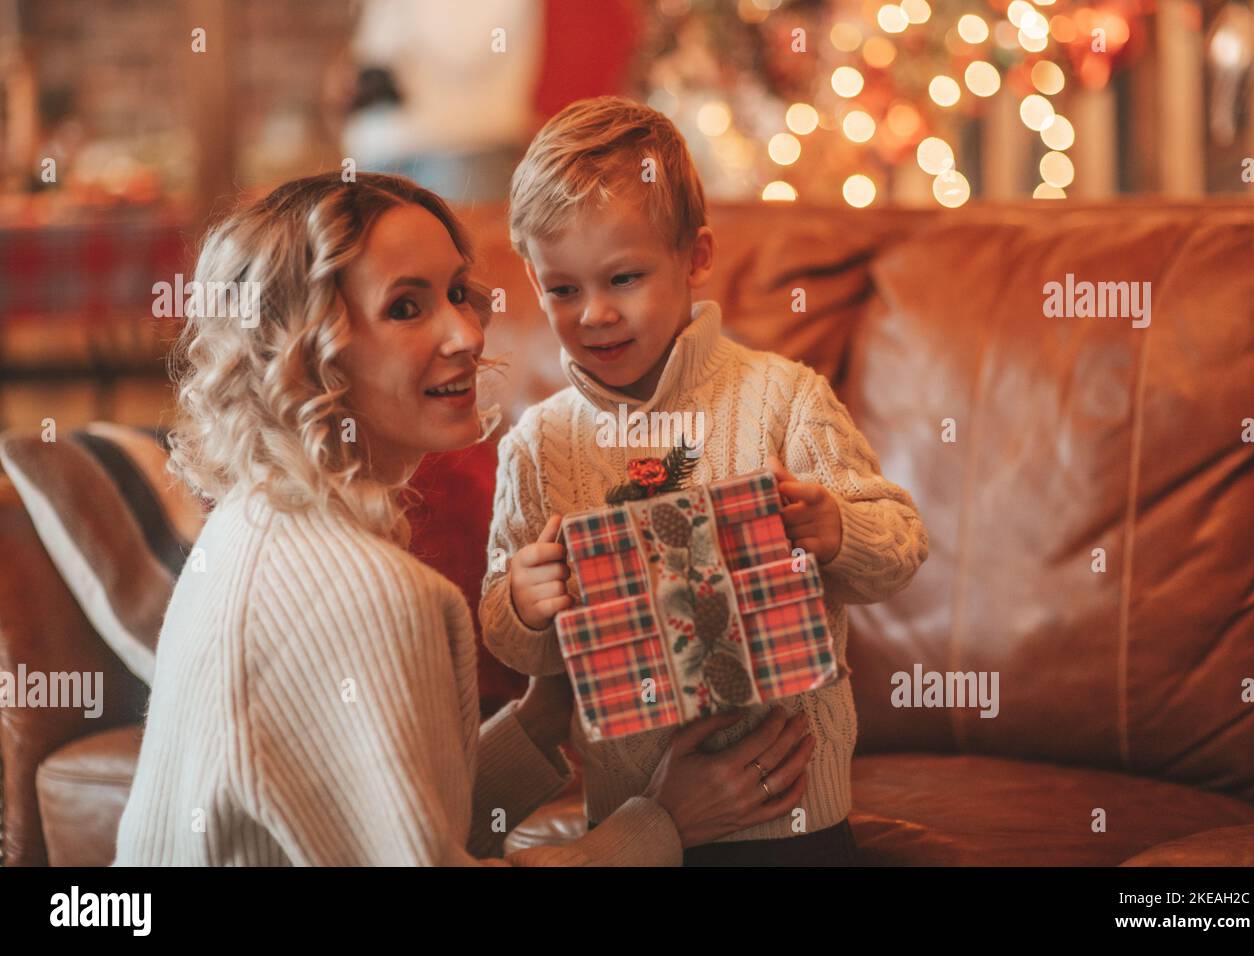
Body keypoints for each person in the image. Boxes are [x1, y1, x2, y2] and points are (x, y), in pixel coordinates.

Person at [113, 172, 814, 866]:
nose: (468, 332)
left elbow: (389, 825)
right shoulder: (375, 598)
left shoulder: (249, 525)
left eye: (456, 293)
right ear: (304, 351)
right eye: (406, 308)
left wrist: (543, 717)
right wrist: (662, 824)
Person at [479, 97, 930, 866]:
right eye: (562, 290)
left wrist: (838, 531)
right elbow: (519, 644)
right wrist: (522, 602)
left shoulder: (783, 398)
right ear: (531, 277)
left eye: (624, 278)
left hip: (798, 818)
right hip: (638, 822)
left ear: (695, 258)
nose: (594, 314)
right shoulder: (537, 446)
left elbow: (902, 545)